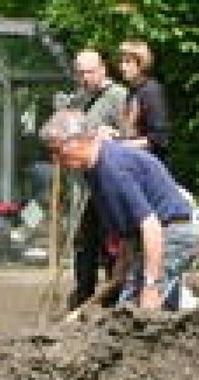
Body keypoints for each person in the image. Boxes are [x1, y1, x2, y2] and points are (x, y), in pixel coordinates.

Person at [40, 109, 199, 312]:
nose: (56, 159)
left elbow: (150, 226)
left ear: (76, 141)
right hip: (151, 236)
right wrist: (122, 266)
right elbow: (128, 226)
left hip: (170, 233)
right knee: (149, 308)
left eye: (57, 150)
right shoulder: (93, 169)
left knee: (134, 313)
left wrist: (150, 285)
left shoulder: (112, 167)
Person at [66, 49, 129, 310]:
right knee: (83, 247)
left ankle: (111, 303)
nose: (85, 77)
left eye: (89, 72)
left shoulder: (118, 97)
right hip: (82, 187)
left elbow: (129, 136)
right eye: (80, 72)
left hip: (108, 185)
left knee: (110, 246)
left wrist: (110, 136)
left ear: (103, 69)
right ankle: (83, 301)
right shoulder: (79, 100)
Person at [117, 40, 171, 161]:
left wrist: (122, 146)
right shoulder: (133, 91)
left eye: (127, 62)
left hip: (150, 165)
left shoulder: (151, 91)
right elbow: (133, 131)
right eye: (121, 62)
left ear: (141, 64)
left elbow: (160, 137)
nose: (122, 67)